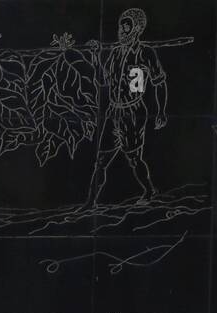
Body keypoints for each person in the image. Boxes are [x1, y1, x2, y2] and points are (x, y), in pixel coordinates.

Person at [84, 8, 168, 207]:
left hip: (133, 112)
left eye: (127, 27)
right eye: (121, 27)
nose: (122, 32)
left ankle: (148, 190)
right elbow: (103, 81)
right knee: (102, 160)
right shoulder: (114, 53)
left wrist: (162, 111)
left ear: (137, 29)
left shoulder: (146, 53)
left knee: (133, 158)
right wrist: (95, 57)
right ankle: (90, 202)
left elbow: (160, 82)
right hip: (114, 112)